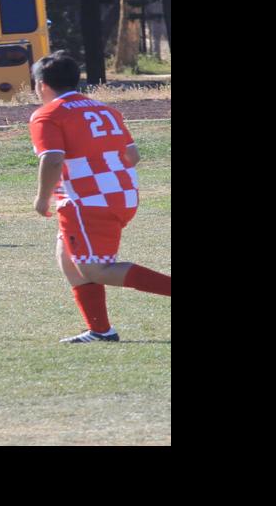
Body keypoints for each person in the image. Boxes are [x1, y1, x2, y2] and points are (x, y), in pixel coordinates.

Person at [28, 51, 171, 344]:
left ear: (41, 85)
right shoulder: (105, 110)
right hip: (121, 195)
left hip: (86, 201)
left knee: (95, 269)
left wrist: (42, 199)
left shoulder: (48, 114)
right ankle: (101, 330)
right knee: (69, 259)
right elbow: (132, 155)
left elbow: (52, 159)